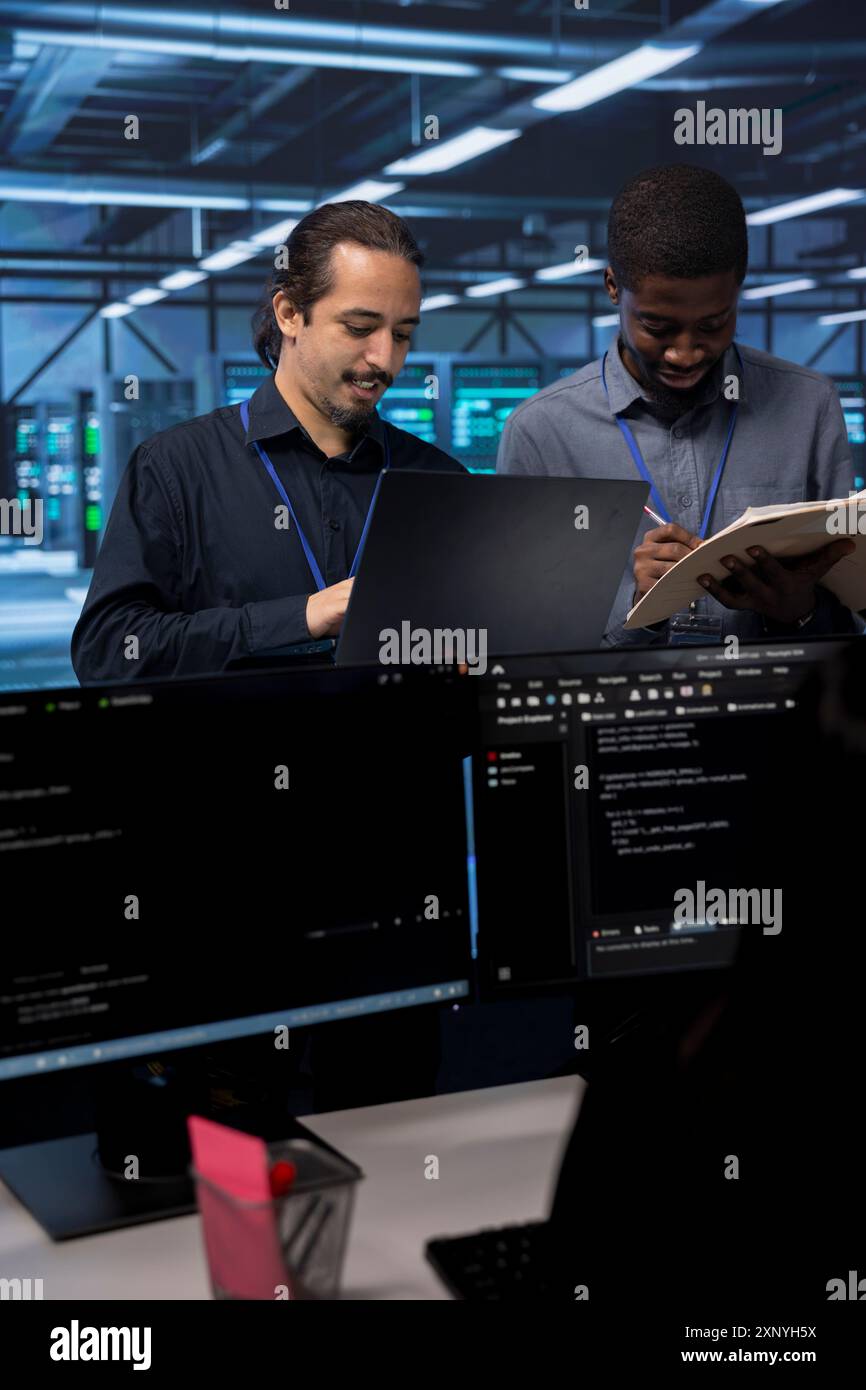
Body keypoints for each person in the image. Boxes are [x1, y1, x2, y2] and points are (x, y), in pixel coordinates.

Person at [72, 201, 464, 683]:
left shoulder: (439, 481)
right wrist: (301, 618)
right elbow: (109, 653)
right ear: (290, 313)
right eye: (359, 328)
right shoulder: (175, 468)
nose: (384, 358)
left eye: (402, 334)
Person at [497, 164, 858, 647]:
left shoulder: (808, 406)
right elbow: (521, 647)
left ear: (739, 288)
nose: (684, 354)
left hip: (777, 714)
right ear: (612, 288)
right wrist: (636, 613)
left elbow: (850, 621)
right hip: (614, 719)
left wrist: (797, 613)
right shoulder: (540, 434)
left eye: (713, 324)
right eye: (658, 327)